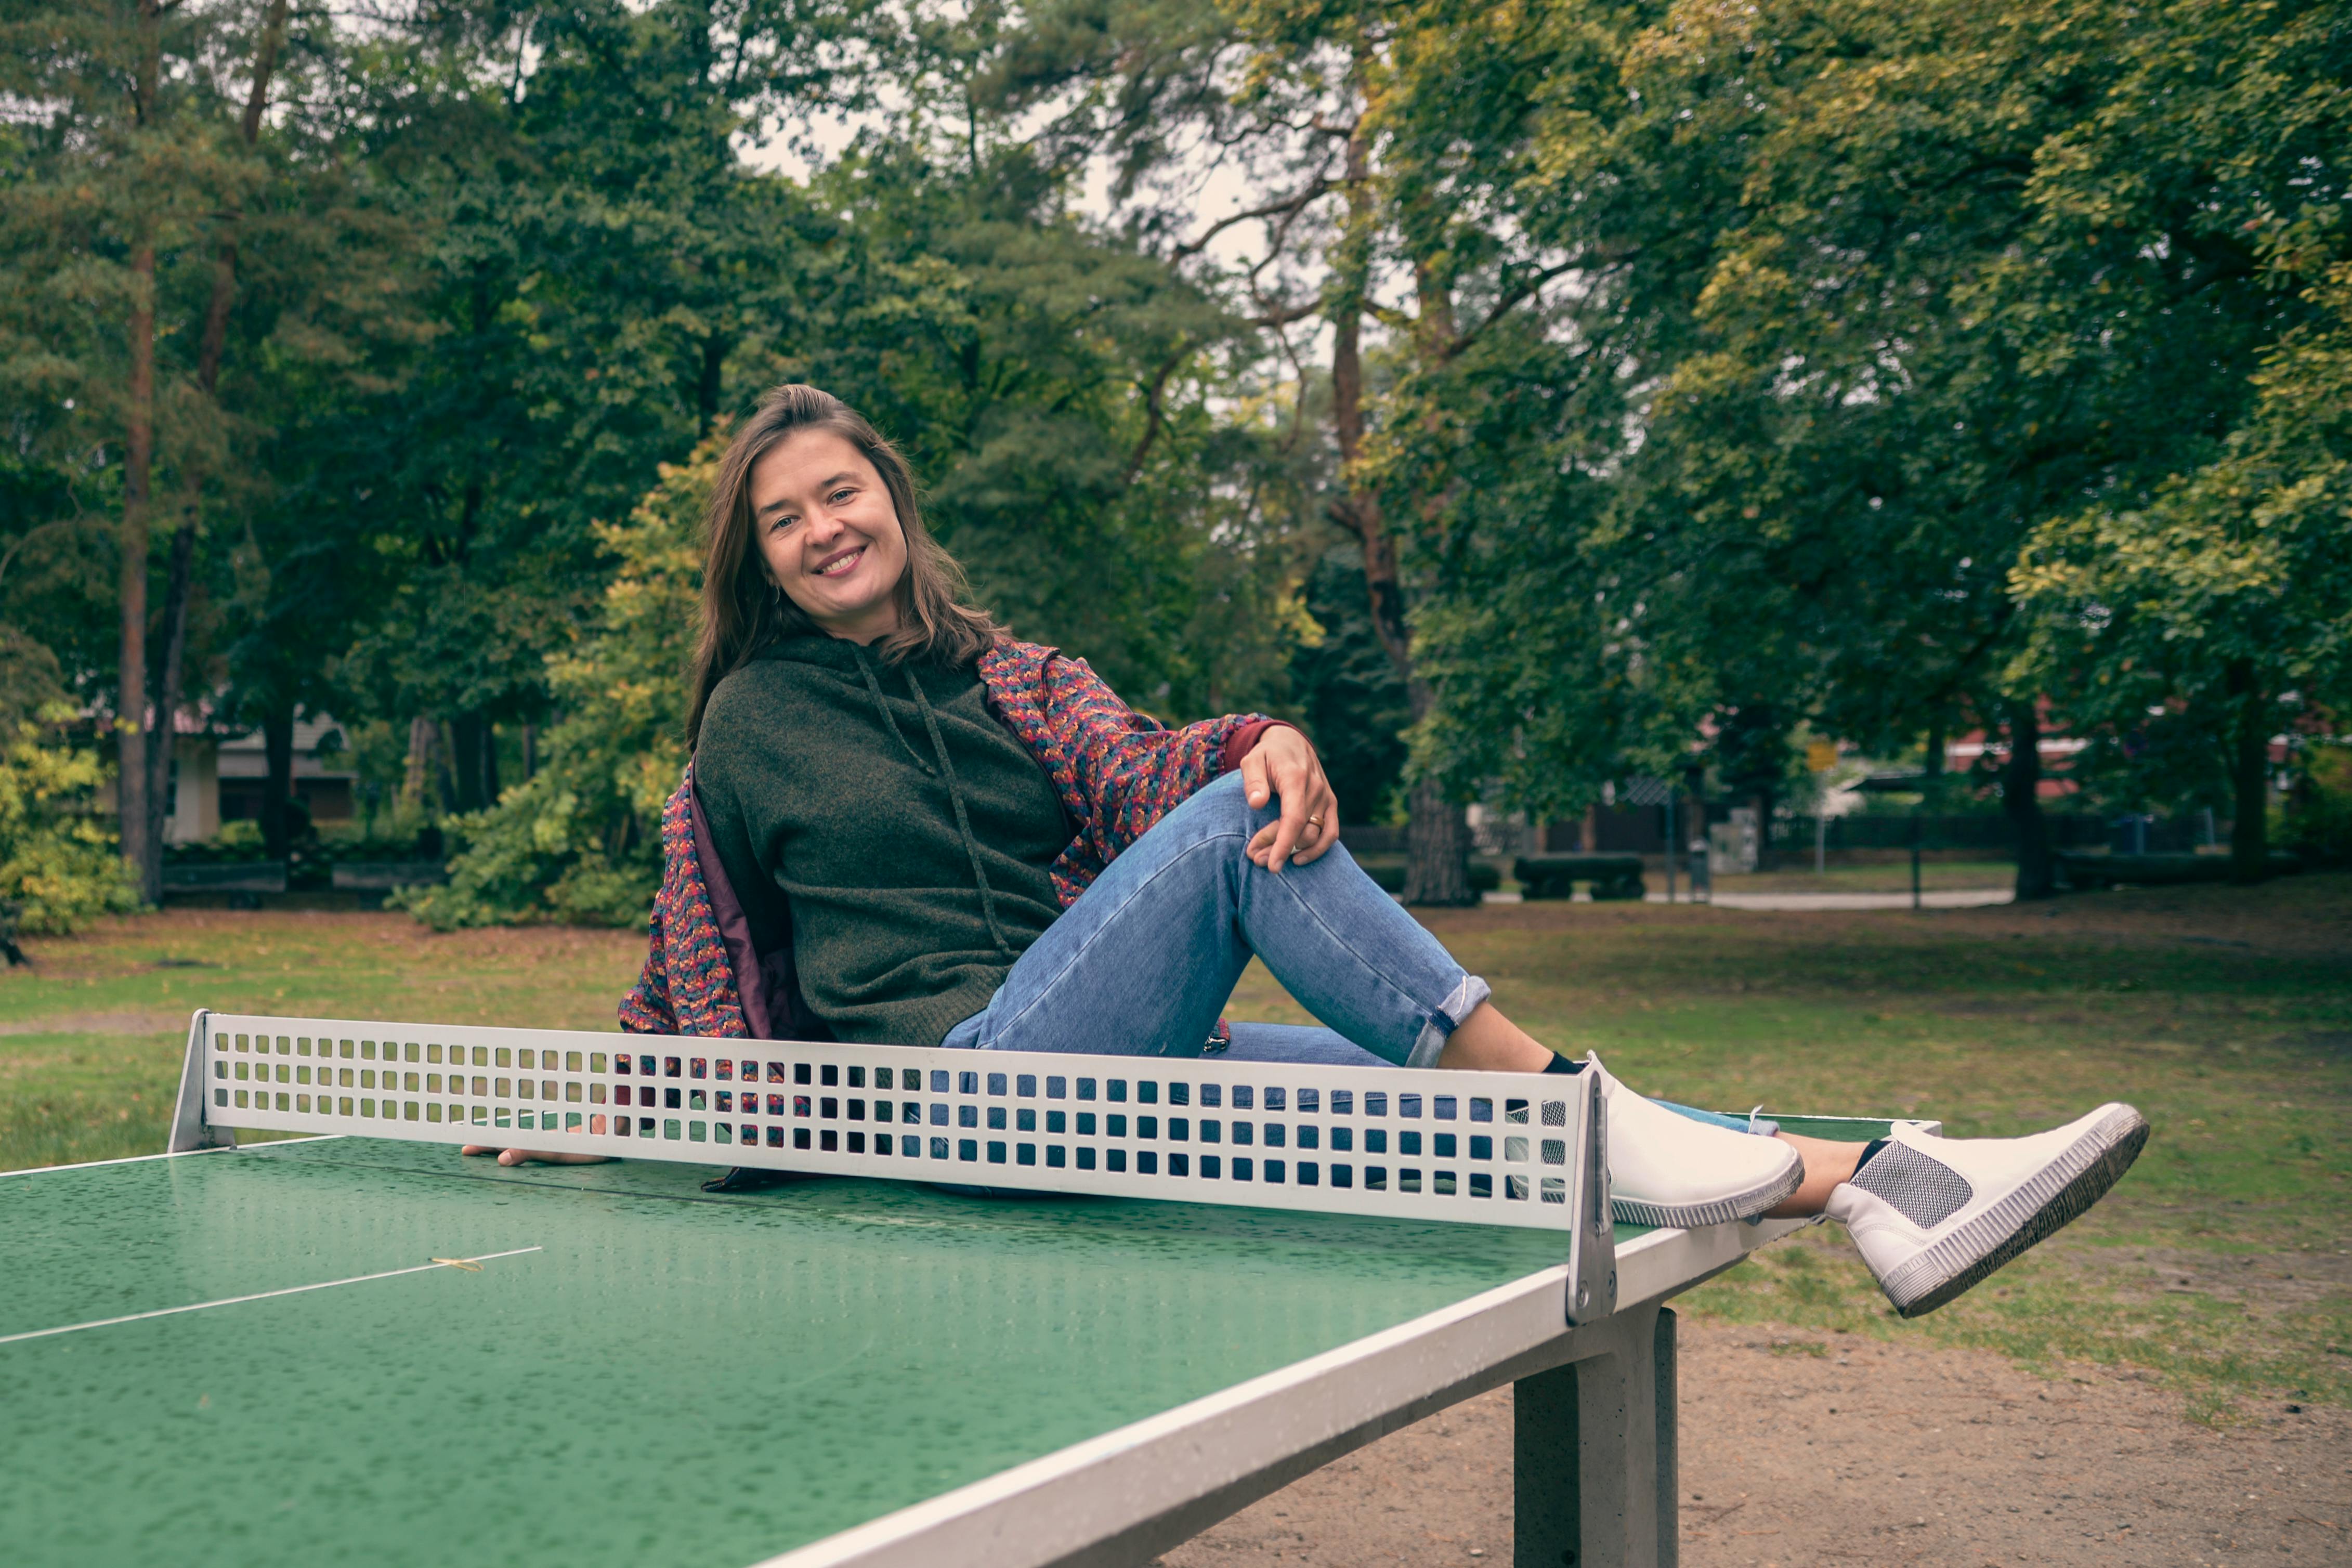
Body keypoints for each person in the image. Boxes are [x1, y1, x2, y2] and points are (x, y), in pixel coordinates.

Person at [469, 383, 2147, 1321]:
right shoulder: (751, 717)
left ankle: (1890, 1187)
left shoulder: (1018, 678)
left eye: (844, 492)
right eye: (785, 515)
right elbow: (692, 948)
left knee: (1442, 1114)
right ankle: (1574, 1092)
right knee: (1280, 882)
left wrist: (1257, 738)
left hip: (1113, 1074)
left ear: (893, 502)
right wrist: (615, 1117)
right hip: (946, 1101)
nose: (824, 527)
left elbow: (1139, 781)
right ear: (757, 557)